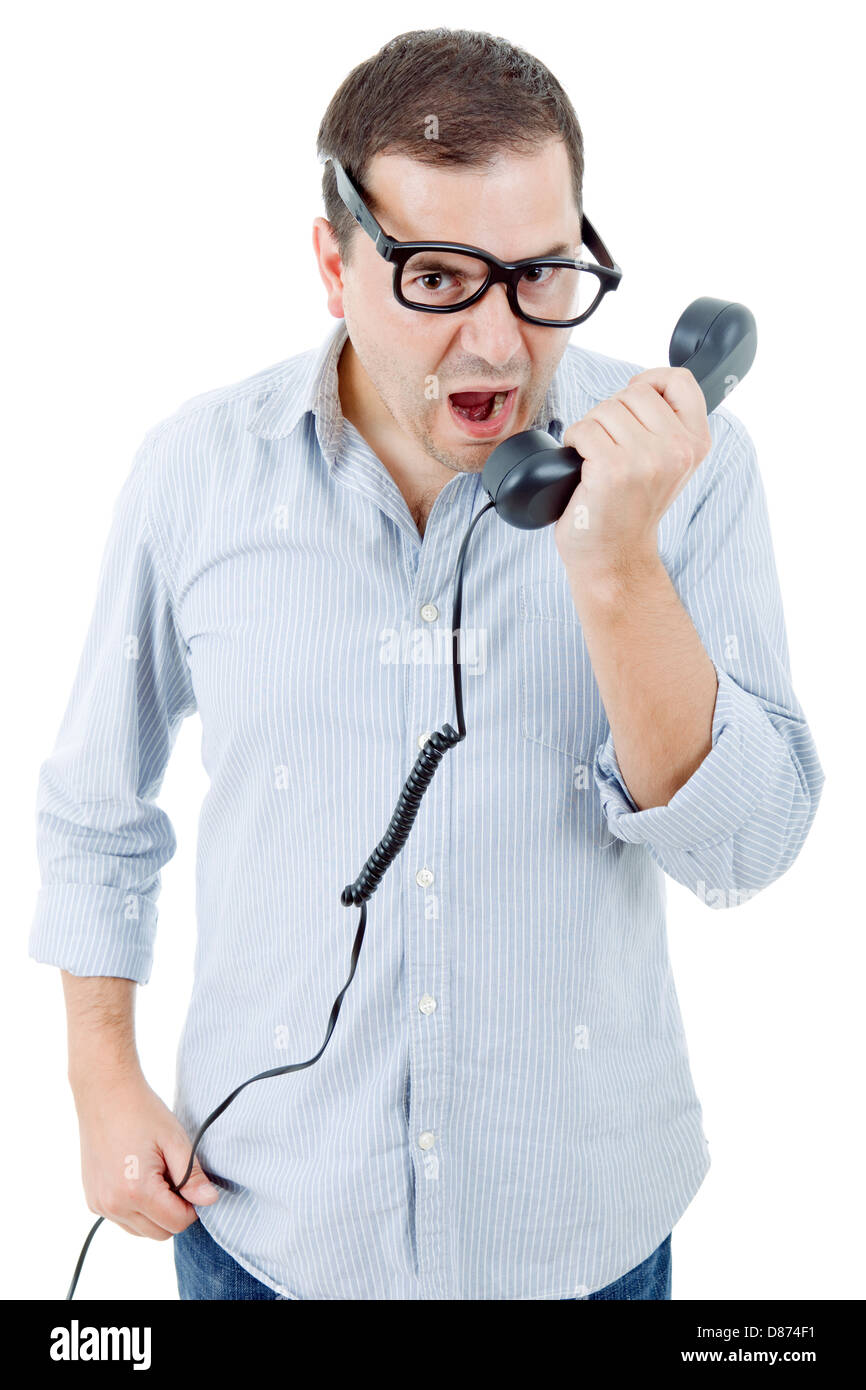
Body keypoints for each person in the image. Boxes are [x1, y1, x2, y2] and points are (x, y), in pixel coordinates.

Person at [29, 28, 824, 1301]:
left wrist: (614, 563)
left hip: (582, 1241)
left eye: (542, 275)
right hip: (266, 1230)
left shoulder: (691, 474)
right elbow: (93, 809)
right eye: (439, 278)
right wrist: (101, 1078)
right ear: (331, 263)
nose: (501, 345)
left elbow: (742, 854)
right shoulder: (193, 472)